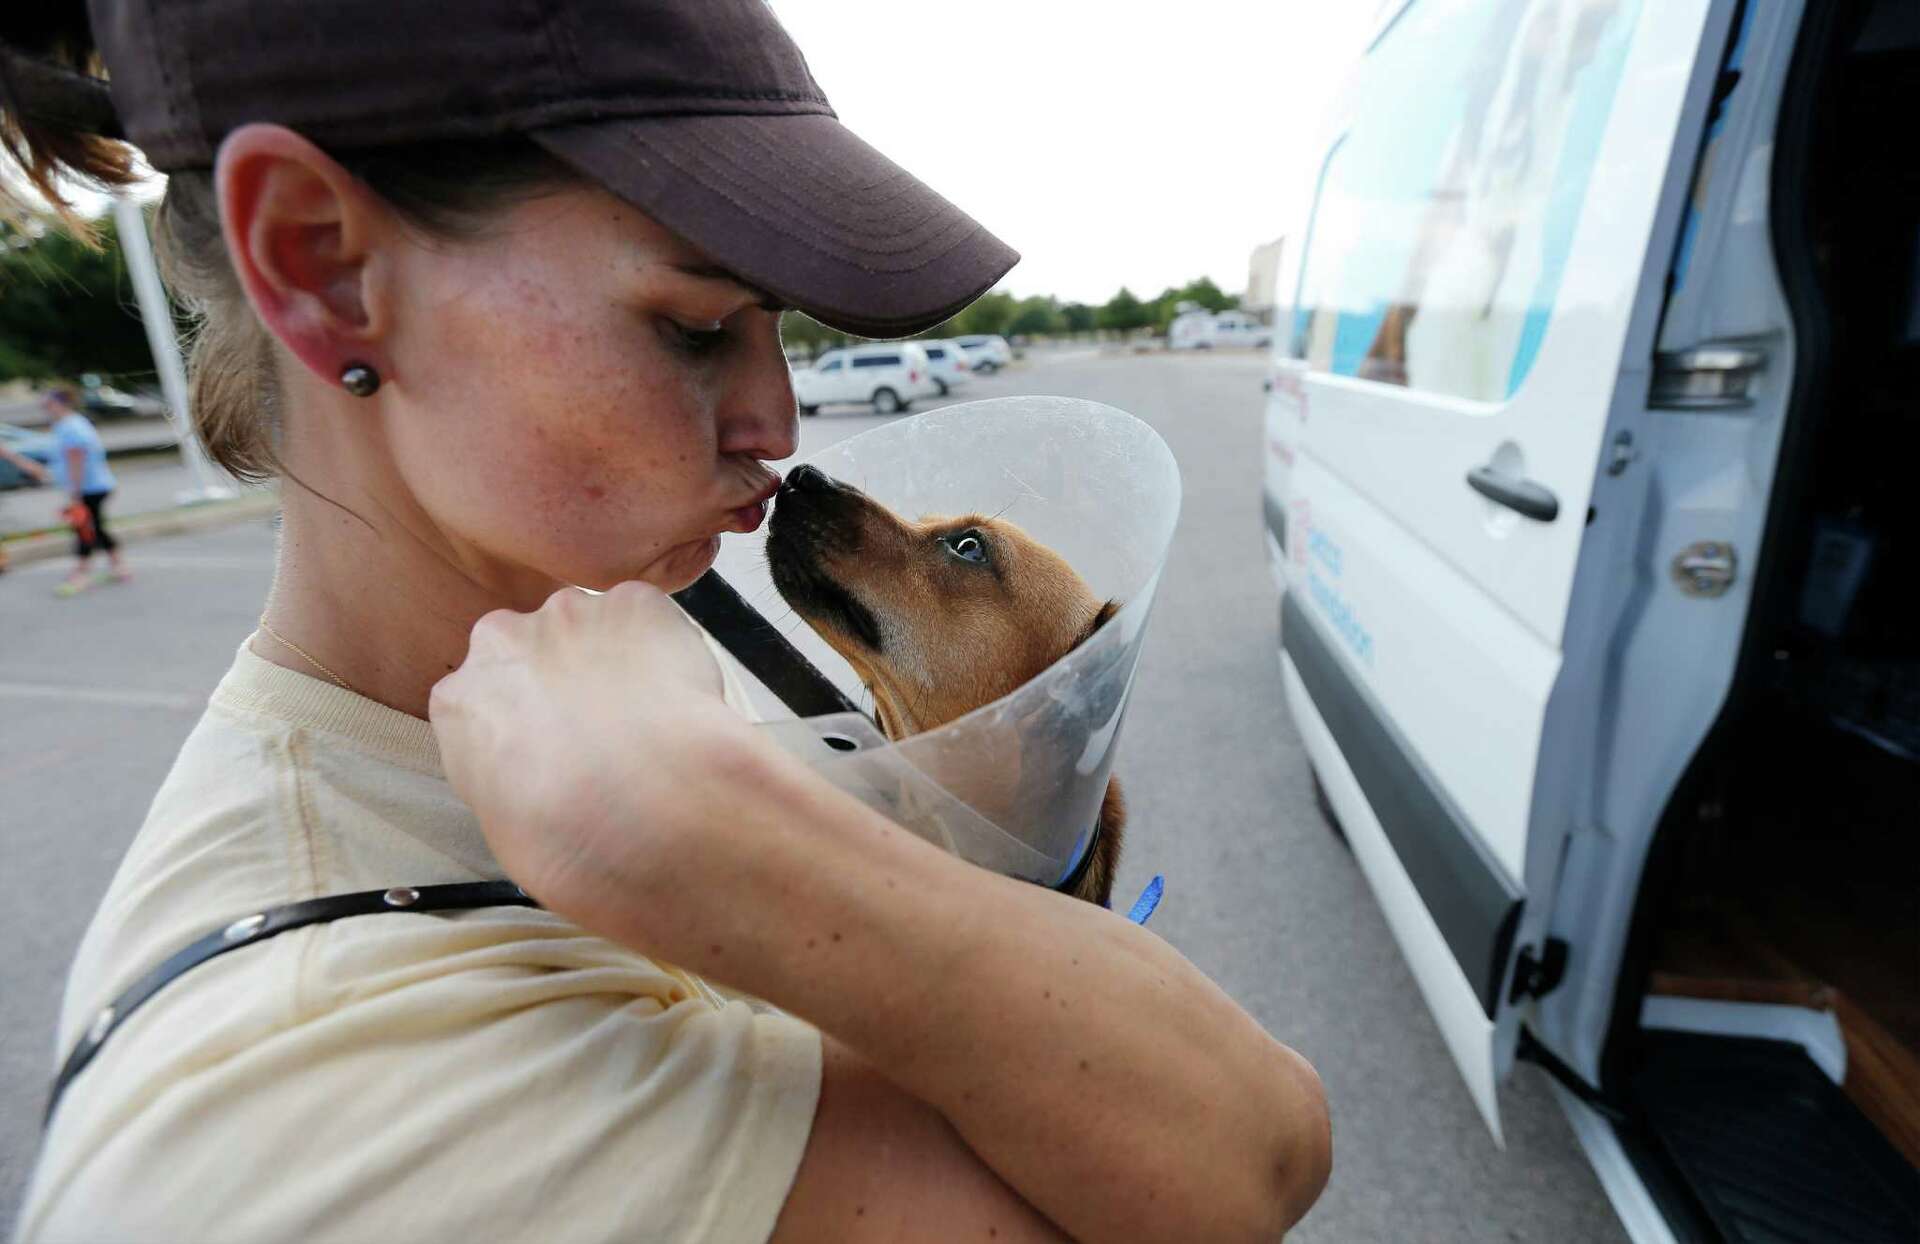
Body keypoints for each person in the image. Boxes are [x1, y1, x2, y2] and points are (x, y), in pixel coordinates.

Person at [3, 4, 1329, 1242]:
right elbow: (1242, 1154)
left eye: (773, 326)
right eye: (696, 326)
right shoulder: (313, 1107)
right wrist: (697, 835)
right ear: (319, 265)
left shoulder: (619, 689)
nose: (779, 428)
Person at [38, 385, 129, 595]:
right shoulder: (65, 425)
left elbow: (76, 460)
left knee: (85, 529)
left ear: (61, 403)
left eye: (48, 404)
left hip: (90, 487)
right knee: (96, 526)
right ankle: (118, 566)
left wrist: (75, 494)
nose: (46, 408)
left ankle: (81, 573)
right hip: (89, 487)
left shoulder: (72, 427)